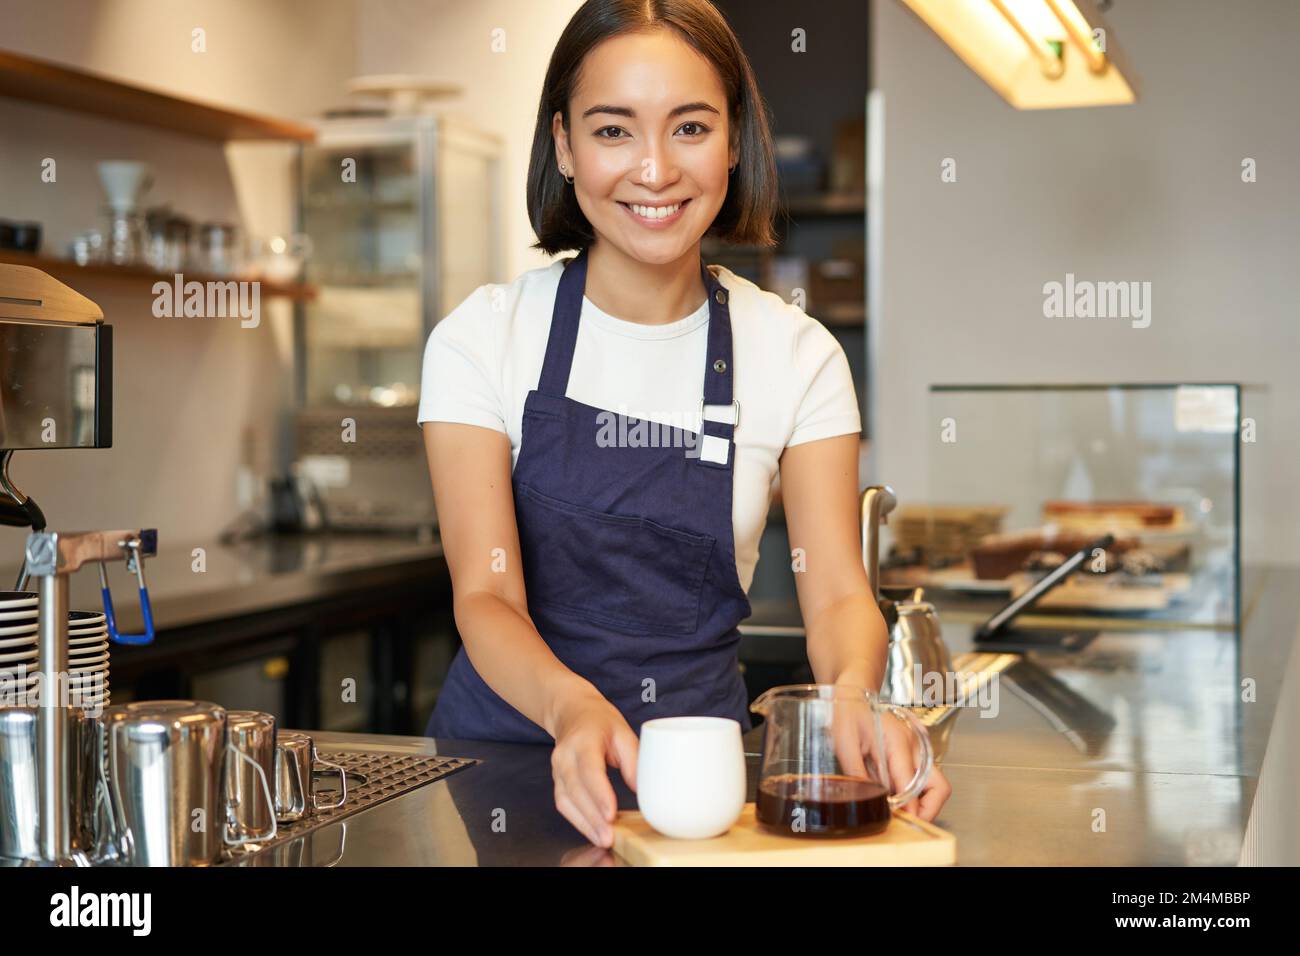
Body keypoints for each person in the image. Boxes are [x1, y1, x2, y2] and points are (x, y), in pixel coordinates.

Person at [418, 0, 950, 848]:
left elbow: (841, 592)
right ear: (563, 145)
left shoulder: (796, 353)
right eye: (614, 130)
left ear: (735, 141)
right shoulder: (483, 339)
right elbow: (485, 596)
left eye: (691, 127)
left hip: (700, 788)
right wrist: (574, 709)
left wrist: (855, 698)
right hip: (511, 764)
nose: (656, 170)